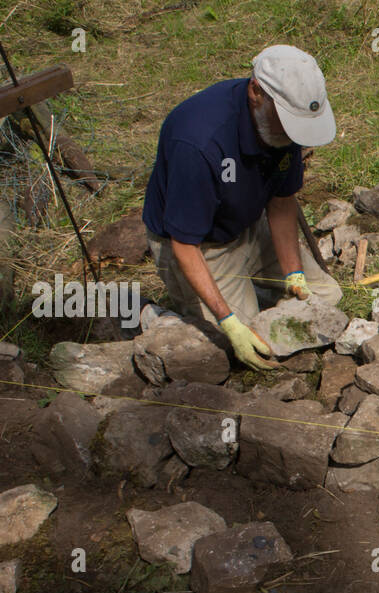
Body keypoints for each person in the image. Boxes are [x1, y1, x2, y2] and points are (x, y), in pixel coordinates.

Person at [142, 44, 340, 369]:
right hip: (201, 247)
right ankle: (160, 320)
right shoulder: (198, 142)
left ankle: (250, 298)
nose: (293, 136)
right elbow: (185, 244)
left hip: (248, 225)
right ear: (256, 92)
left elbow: (281, 203)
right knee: (241, 349)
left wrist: (294, 274)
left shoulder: (283, 128)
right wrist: (229, 322)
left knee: (328, 299)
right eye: (287, 123)